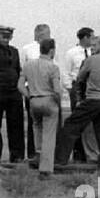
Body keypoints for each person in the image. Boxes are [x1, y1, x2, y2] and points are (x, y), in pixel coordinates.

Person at [55, 33, 100, 176]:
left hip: (93, 99)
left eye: (96, 45)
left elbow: (80, 79)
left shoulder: (92, 60)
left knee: (71, 125)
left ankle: (60, 160)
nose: (94, 47)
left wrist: (79, 98)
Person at [19, 37, 62, 175]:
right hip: (48, 99)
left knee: (37, 130)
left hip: (34, 100)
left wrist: (29, 95)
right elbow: (56, 89)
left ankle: (37, 157)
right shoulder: (53, 67)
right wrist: (57, 100)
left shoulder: (28, 65)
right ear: (52, 51)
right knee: (49, 135)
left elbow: (20, 85)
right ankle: (46, 167)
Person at [61, 28, 100, 163]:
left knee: (92, 124)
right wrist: (71, 89)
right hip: (77, 89)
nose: (94, 40)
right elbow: (66, 72)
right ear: (85, 38)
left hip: (92, 89)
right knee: (77, 122)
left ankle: (93, 153)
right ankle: (78, 154)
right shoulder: (72, 53)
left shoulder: (94, 52)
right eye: (92, 37)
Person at [0, 25, 24, 162]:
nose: (6, 39)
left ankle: (16, 155)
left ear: (11, 37)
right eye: (3, 36)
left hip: (13, 92)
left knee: (16, 125)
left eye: (8, 37)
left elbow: (18, 71)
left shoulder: (15, 52)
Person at [20, 24, 51, 159]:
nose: (49, 37)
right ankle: (33, 153)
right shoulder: (27, 49)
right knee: (33, 122)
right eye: (46, 34)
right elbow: (21, 69)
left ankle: (48, 153)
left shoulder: (52, 48)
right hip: (32, 89)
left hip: (48, 89)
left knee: (49, 122)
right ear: (38, 35)